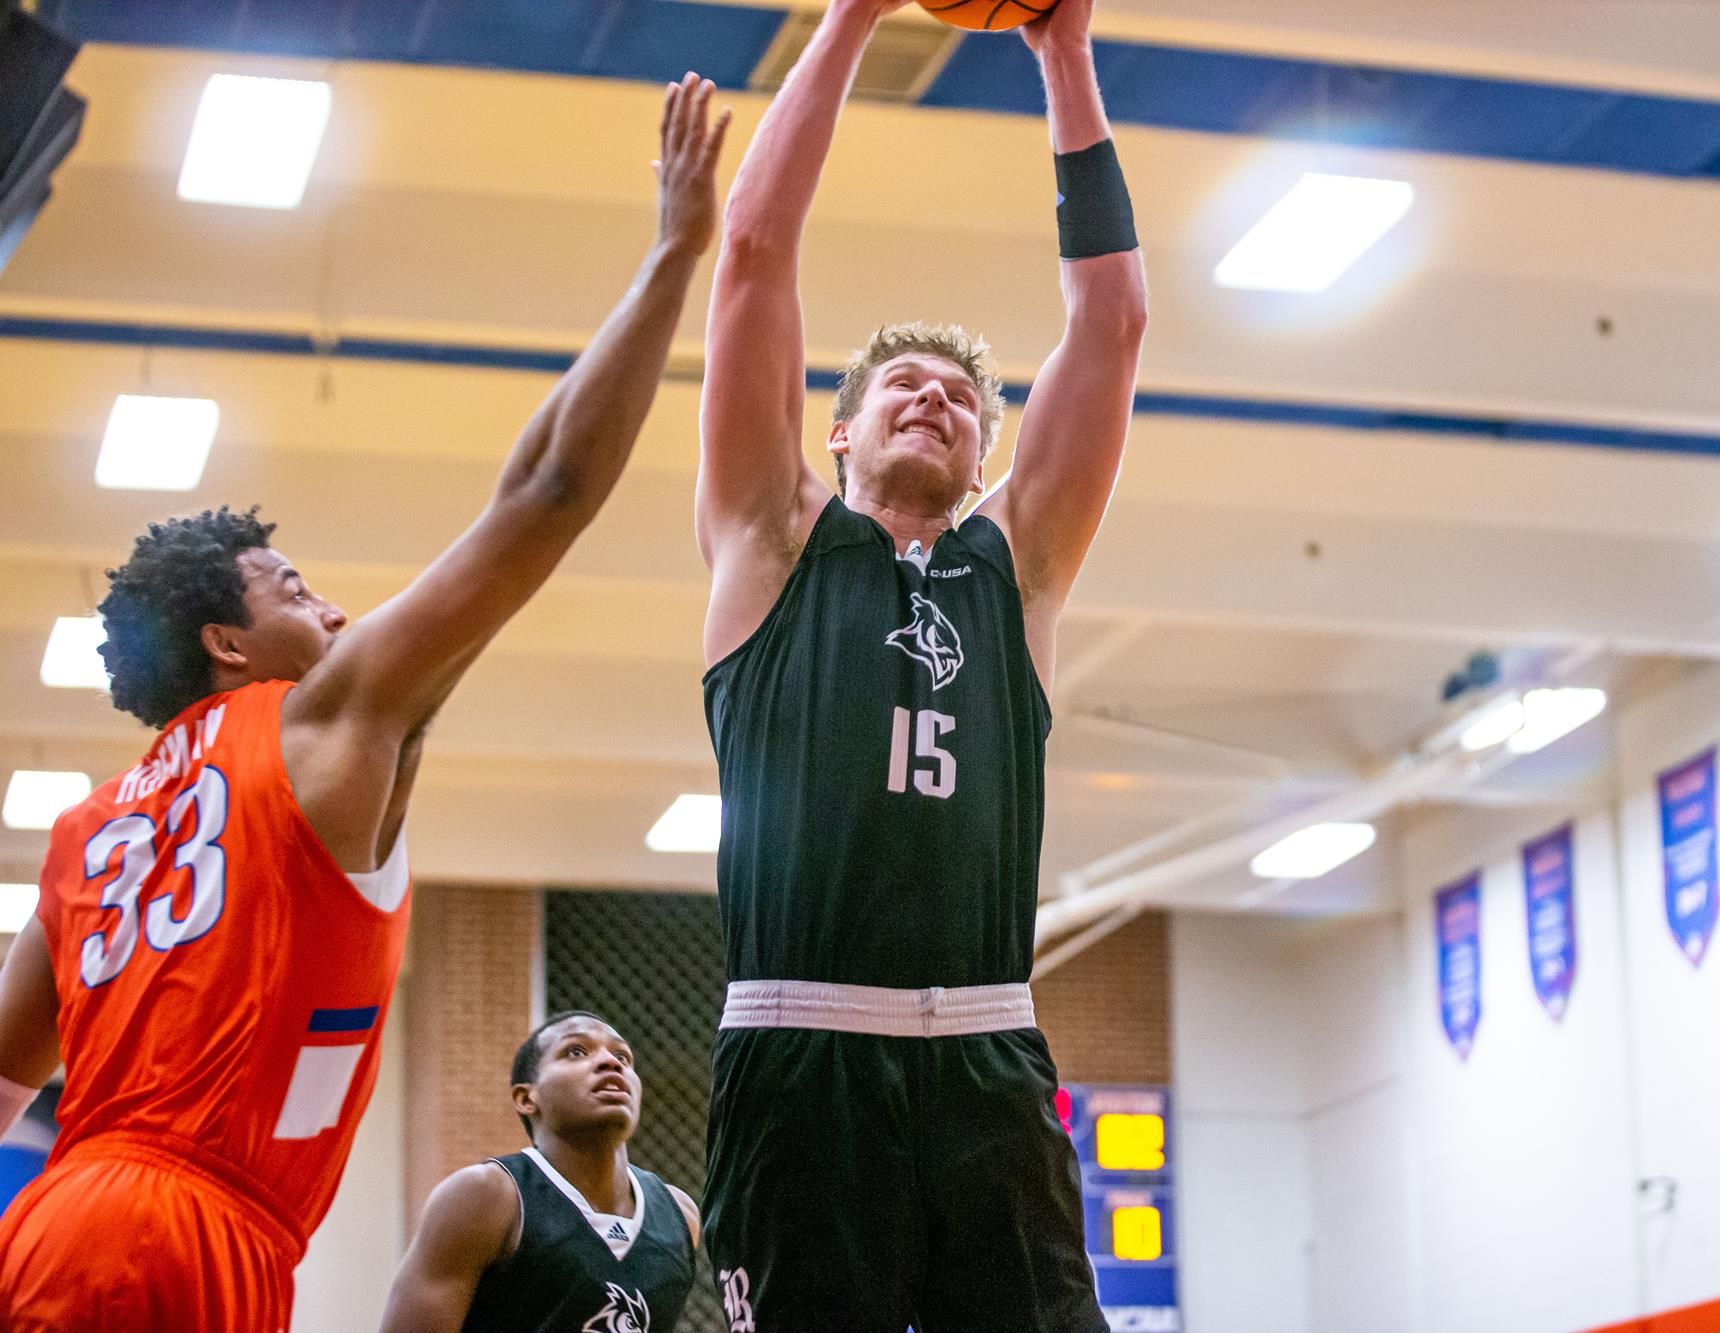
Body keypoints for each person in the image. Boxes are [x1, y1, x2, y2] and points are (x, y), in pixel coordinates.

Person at [0, 77, 729, 1331]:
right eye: (294, 586)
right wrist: (674, 256)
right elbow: (546, 492)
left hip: (50, 1218)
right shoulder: (323, 718)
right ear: (231, 643)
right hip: (191, 1231)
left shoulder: (85, 833)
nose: (332, 609)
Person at [693, 0, 1146, 1326]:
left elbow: (1110, 319)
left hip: (991, 1054)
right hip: (801, 1048)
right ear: (834, 436)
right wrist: (849, 16)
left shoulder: (1020, 566)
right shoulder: (770, 539)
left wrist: (1065, 56)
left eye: (961, 401)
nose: (937, 399)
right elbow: (757, 254)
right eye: (902, 386)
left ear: (981, 456)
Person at [379, 1011, 699, 1332]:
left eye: (622, 1056)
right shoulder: (485, 1197)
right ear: (527, 1097)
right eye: (576, 1051)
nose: (610, 1062)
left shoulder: (679, 1214)